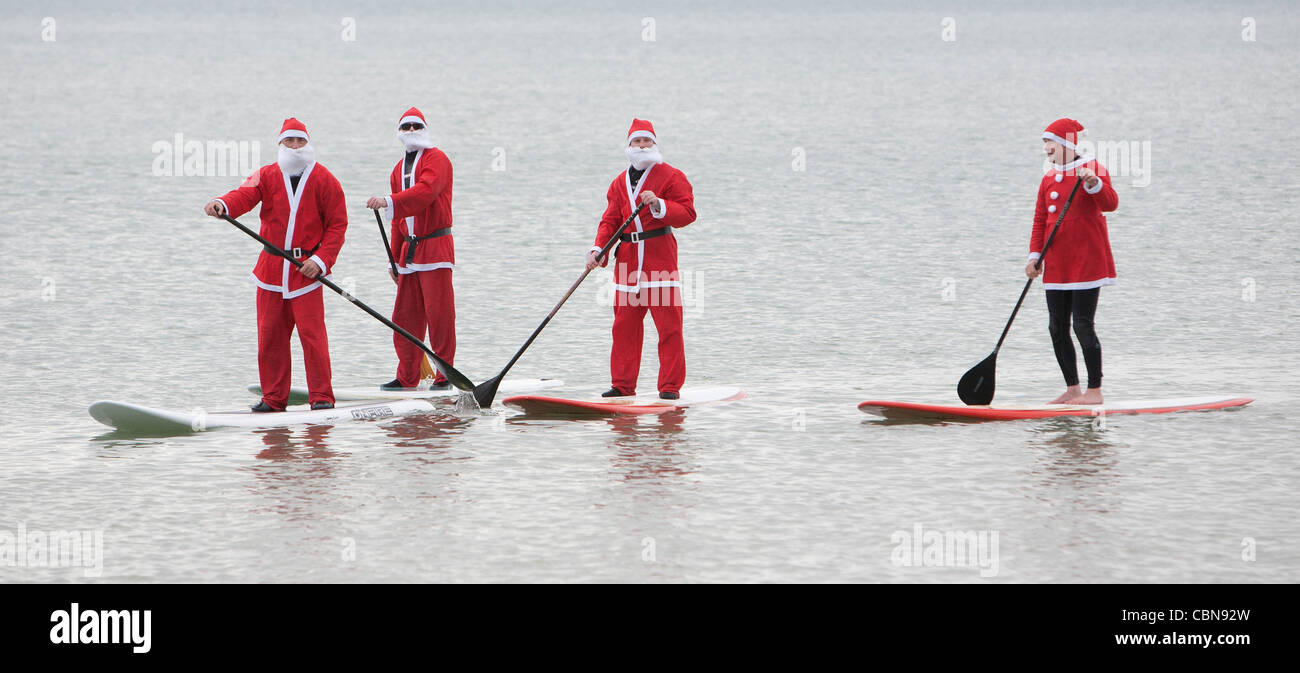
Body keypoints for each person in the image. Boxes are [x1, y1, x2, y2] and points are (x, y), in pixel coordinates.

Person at [204, 118, 348, 411]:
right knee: (270, 337)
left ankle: (321, 397)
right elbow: (243, 195)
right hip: (270, 272)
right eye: (289, 142)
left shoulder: (325, 179)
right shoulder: (266, 175)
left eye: (300, 141)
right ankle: (273, 399)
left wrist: (319, 262)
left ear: (308, 144)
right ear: (280, 145)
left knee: (313, 338)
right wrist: (222, 204)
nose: (295, 147)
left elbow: (337, 226)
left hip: (305, 272)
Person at [586, 119, 696, 399]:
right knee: (624, 328)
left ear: (655, 145)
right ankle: (622, 386)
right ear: (630, 146)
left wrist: (660, 204)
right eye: (638, 141)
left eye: (648, 141)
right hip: (628, 266)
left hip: (660, 262)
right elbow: (610, 220)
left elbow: (687, 213)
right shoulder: (618, 183)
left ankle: (669, 387)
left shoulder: (672, 176)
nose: (643, 145)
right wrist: (598, 249)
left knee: (669, 327)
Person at [1026, 118, 1118, 405]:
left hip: (1086, 261)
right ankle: (1072, 388)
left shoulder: (1091, 170)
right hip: (1057, 263)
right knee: (1056, 326)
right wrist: (1034, 257)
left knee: (1082, 324)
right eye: (1043, 142)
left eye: (1049, 141)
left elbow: (1111, 204)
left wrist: (1094, 184)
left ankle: (1095, 391)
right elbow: (1040, 220)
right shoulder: (1047, 179)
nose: (1045, 147)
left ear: (1066, 143)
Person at [366, 107, 457, 391]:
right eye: (406, 128)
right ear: (399, 133)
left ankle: (445, 376)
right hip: (409, 254)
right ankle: (407, 377)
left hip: (435, 249)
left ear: (425, 129)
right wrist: (394, 260)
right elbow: (397, 220)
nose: (411, 132)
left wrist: (387, 201)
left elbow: (426, 192)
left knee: (439, 315)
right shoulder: (396, 170)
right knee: (404, 318)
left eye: (416, 127)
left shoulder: (437, 159)